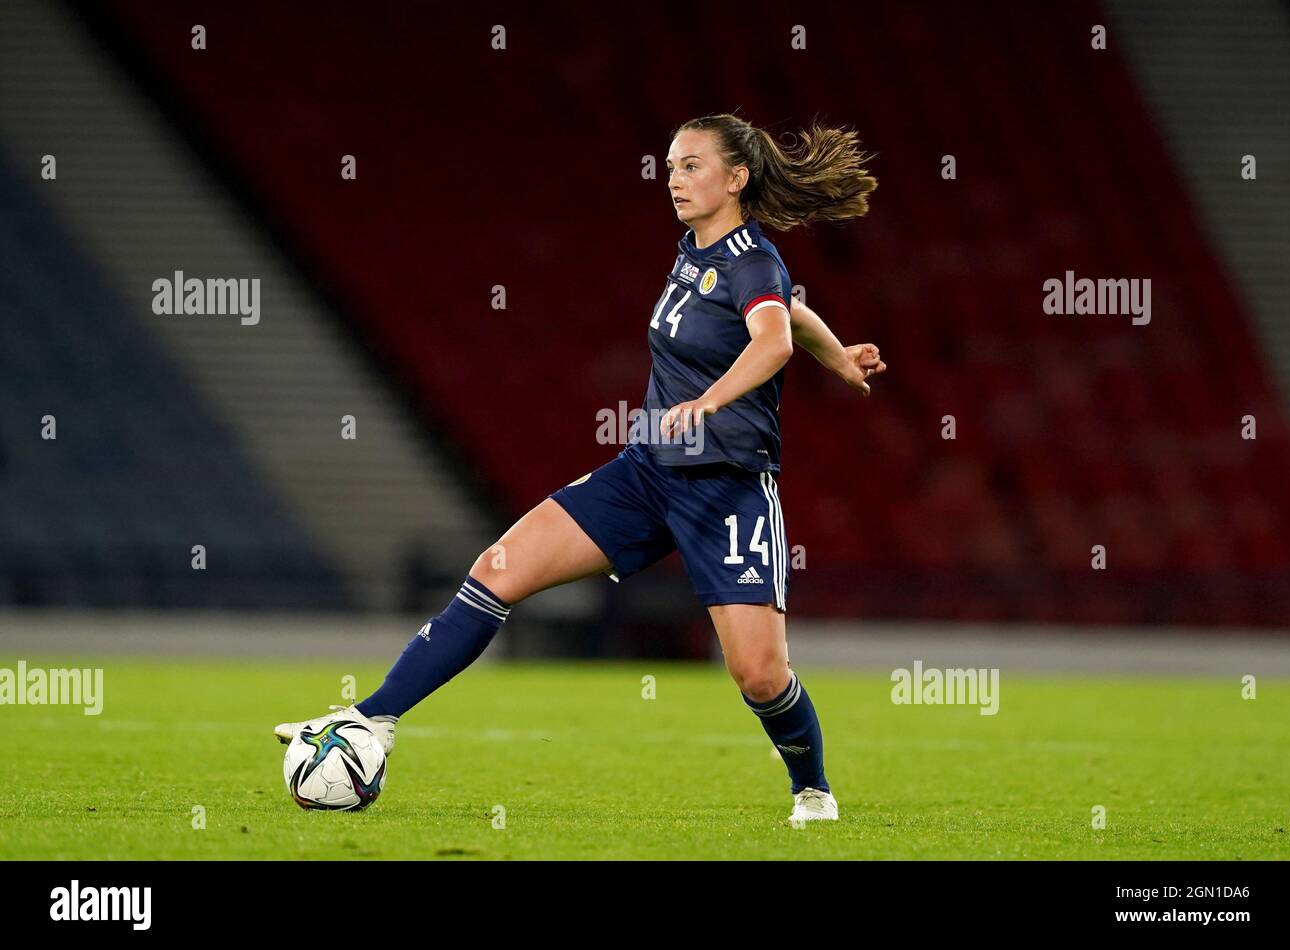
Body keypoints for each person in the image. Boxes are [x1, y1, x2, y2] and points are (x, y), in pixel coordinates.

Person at [276, 113, 884, 824]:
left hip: (727, 488)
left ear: (736, 178)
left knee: (758, 674)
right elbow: (794, 314)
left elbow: (774, 337)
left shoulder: (753, 259)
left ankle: (811, 789)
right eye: (669, 166)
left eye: (691, 165)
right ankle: (369, 720)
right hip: (647, 473)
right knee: (498, 569)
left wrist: (712, 400)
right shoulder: (697, 252)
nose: (674, 179)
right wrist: (840, 354)